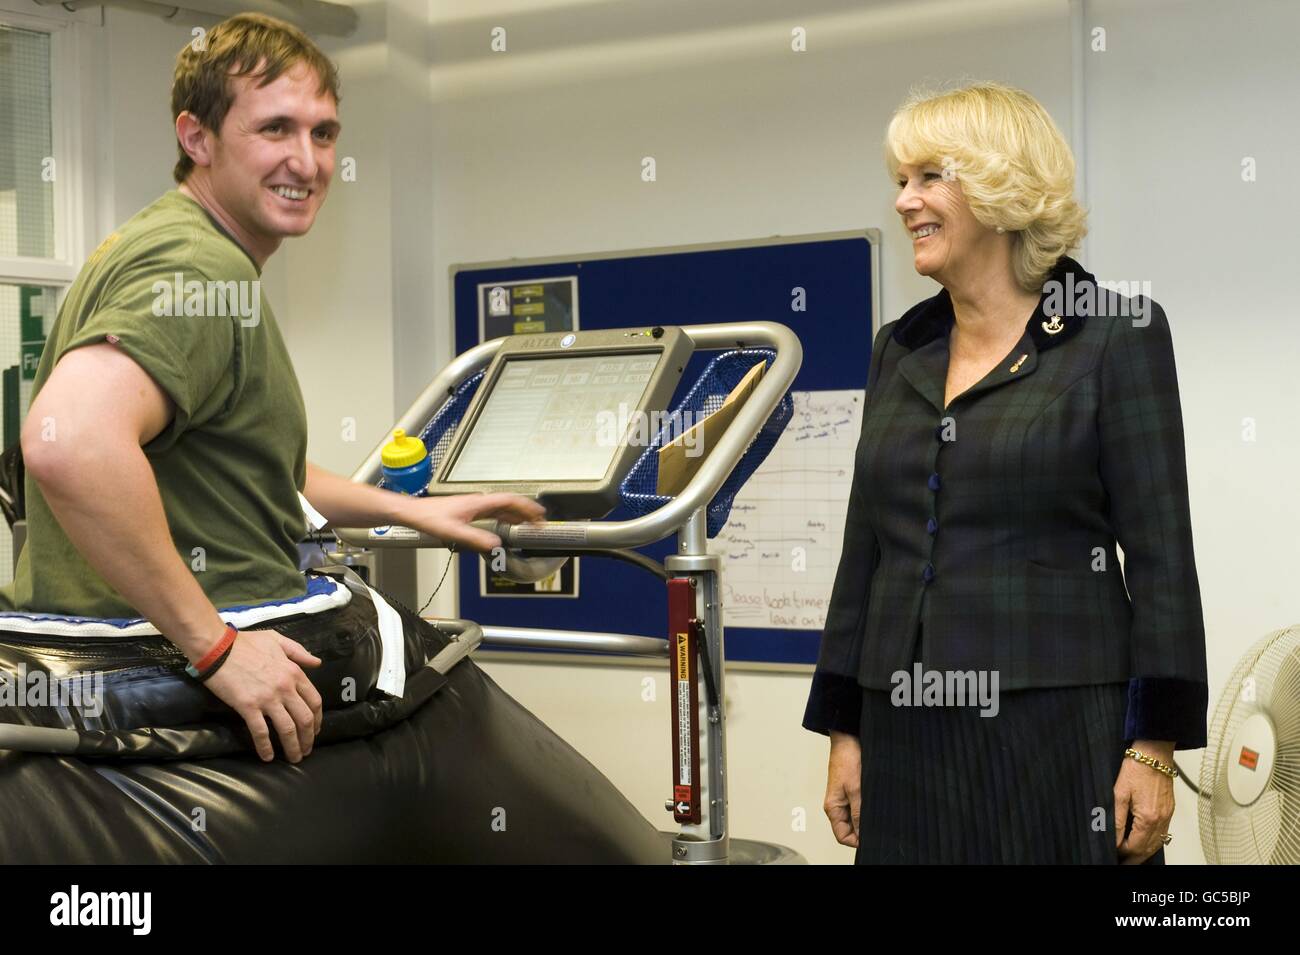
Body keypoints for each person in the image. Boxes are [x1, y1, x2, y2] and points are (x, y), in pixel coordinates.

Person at [0, 13, 543, 765]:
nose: (308, 160)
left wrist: (414, 511)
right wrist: (216, 647)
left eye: (323, 134)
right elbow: (70, 444)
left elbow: (253, 469)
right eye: (276, 129)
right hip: (169, 655)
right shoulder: (199, 267)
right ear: (197, 139)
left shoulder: (160, 242)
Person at [803, 82, 1208, 864]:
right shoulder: (899, 348)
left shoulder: (1113, 337)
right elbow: (865, 554)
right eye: (899, 181)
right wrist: (843, 728)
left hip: (1057, 732)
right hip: (904, 729)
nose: (903, 202)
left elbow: (1162, 560)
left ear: (999, 186)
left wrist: (1154, 746)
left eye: (928, 177)